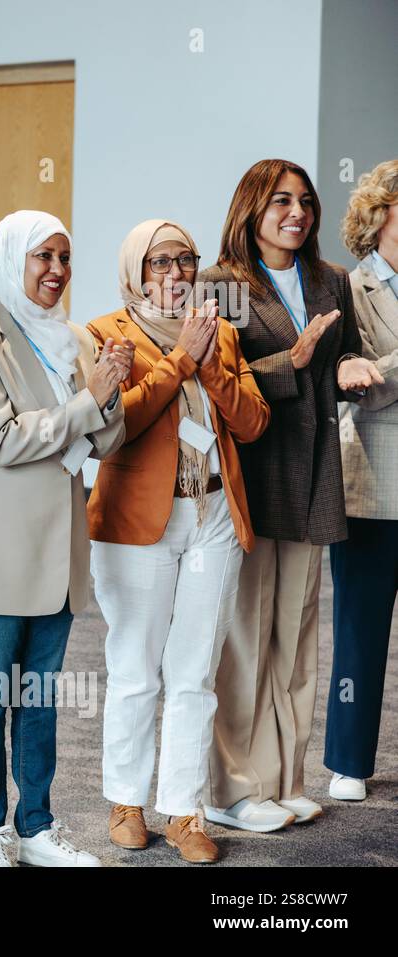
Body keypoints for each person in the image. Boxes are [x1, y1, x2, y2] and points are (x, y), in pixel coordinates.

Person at [199, 159, 383, 833]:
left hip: (315, 481)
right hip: (254, 476)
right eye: (281, 201)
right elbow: (213, 376)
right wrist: (295, 362)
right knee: (245, 639)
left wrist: (344, 365)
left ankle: (283, 778)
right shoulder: (222, 284)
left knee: (296, 640)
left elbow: (340, 358)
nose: (297, 212)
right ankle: (231, 786)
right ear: (252, 208)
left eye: (305, 201)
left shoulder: (329, 278)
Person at [0, 210, 127, 868]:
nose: (56, 270)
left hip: (61, 547)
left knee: (41, 695)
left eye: (64, 257)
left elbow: (110, 440)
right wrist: (87, 405)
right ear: (11, 261)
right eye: (42, 257)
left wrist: (109, 393)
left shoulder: (76, 339)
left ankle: (37, 824)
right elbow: (1, 440)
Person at [86, 220, 269, 863]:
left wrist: (212, 363)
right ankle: (126, 801)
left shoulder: (219, 330)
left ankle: (186, 811)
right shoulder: (105, 334)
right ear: (136, 270)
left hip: (213, 513)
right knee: (135, 667)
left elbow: (251, 422)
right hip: (138, 521)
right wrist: (181, 359)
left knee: (194, 671)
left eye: (185, 261)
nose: (176, 273)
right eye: (160, 262)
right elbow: (119, 425)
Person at [325, 159, 398, 802]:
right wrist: (371, 372)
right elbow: (356, 386)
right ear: (379, 218)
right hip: (374, 480)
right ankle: (349, 760)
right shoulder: (348, 289)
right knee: (360, 626)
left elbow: (379, 372)